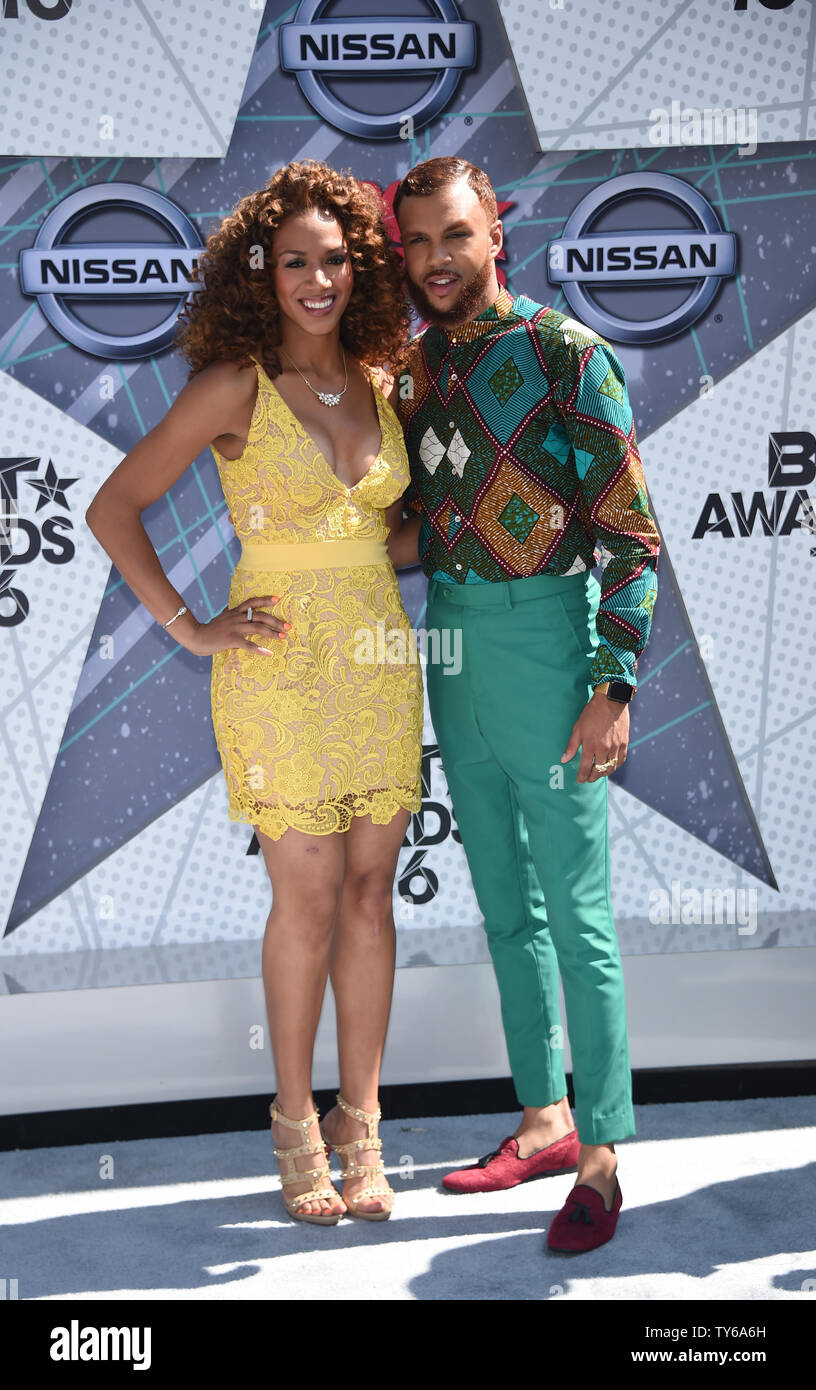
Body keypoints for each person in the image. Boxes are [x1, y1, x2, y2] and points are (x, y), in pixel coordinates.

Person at [85, 159, 424, 1226]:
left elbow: (382, 535)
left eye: (335, 260)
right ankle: (294, 1124)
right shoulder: (233, 384)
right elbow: (113, 507)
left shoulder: (381, 378)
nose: (317, 279)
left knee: (373, 895)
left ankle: (362, 1126)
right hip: (278, 674)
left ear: (359, 268)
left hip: (377, 660)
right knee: (309, 900)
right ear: (261, 273)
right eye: (295, 262)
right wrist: (192, 626)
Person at [390, 156, 661, 1253]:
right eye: (415, 243)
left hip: (553, 646)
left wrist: (612, 686)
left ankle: (600, 1155)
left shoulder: (567, 354)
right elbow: (420, 527)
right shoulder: (415, 373)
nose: (435, 261)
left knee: (579, 914)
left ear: (496, 229)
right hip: (452, 646)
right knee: (506, 905)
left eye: (453, 235)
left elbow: (631, 539)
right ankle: (541, 1116)